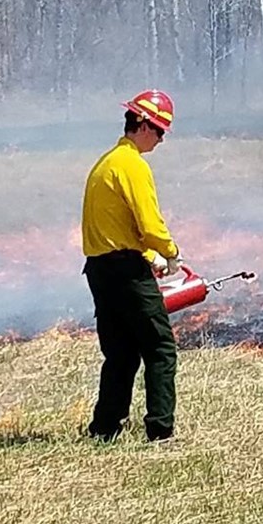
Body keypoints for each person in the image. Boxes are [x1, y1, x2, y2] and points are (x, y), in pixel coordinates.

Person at [80, 89, 184, 441]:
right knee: (159, 348)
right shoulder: (133, 166)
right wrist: (170, 253)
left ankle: (105, 428)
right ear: (142, 124)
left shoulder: (105, 163)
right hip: (126, 272)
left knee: (120, 353)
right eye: (159, 131)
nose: (161, 139)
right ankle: (160, 429)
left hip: (99, 269)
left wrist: (148, 257)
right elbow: (150, 225)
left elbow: (114, 227)